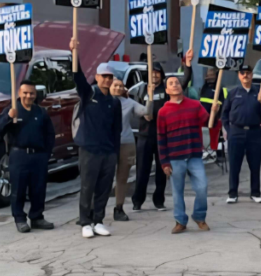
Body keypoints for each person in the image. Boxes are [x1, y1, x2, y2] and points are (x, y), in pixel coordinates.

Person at [70, 38, 123, 239]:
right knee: (87, 186)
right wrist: (74, 53)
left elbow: (116, 129)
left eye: (110, 77)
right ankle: (85, 221)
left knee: (103, 188)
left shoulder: (114, 102)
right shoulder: (88, 93)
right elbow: (77, 76)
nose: (107, 80)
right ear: (97, 77)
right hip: (89, 150)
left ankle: (98, 220)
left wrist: (115, 154)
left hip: (108, 151)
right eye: (104, 76)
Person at [131, 53, 192, 212]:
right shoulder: (142, 89)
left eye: (157, 74)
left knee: (161, 170)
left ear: (161, 75)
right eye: (152, 73)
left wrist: (188, 66)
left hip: (162, 137)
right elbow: (134, 108)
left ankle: (159, 200)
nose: (154, 76)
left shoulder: (167, 90)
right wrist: (143, 113)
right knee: (142, 170)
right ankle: (137, 201)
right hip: (144, 136)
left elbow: (184, 82)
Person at [0, 80, 56, 232]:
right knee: (18, 189)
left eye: (32, 93)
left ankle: (37, 217)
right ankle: (20, 219)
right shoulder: (13, 110)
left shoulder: (41, 112)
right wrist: (8, 117)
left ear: (35, 95)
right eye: (25, 93)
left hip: (38, 156)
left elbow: (50, 135)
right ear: (19, 93)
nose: (28, 96)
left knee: (39, 189)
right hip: (19, 155)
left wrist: (46, 155)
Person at [157, 75, 210, 234]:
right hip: (175, 158)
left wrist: (214, 111)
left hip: (194, 155)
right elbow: (161, 138)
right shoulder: (163, 111)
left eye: (177, 83)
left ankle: (199, 216)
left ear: (182, 86)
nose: (175, 85)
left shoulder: (195, 105)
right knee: (177, 191)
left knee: (202, 187)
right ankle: (180, 221)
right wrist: (164, 162)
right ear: (167, 90)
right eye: (171, 83)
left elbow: (208, 122)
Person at [220, 63, 261, 204]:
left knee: (255, 165)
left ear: (252, 75)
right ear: (239, 76)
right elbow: (224, 114)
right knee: (234, 165)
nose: (245, 75)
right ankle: (233, 193)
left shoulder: (259, 92)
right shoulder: (233, 93)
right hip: (237, 132)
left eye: (248, 72)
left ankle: (255, 193)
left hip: (254, 133)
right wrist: (229, 130)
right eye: (242, 73)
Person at [111, 76, 146, 221]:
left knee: (122, 178)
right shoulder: (101, 102)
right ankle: (93, 209)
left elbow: (145, 111)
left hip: (126, 143)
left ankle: (119, 208)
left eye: (121, 85)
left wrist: (149, 97)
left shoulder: (129, 102)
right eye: (115, 85)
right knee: (103, 177)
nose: (118, 88)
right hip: (107, 144)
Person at [197, 66, 227, 161]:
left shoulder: (222, 89)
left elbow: (225, 105)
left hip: (216, 118)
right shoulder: (203, 88)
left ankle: (219, 155)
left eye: (212, 75)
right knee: (204, 136)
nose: (210, 77)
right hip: (204, 118)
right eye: (208, 75)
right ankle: (205, 151)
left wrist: (220, 116)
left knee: (217, 137)